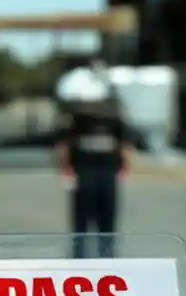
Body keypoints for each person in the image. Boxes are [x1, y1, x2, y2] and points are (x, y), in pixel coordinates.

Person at [54, 92, 133, 259]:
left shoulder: (108, 121)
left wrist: (65, 168)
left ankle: (97, 256)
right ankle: (92, 256)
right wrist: (66, 169)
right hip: (92, 175)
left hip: (96, 175)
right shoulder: (79, 121)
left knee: (94, 221)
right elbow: (64, 146)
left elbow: (124, 146)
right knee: (94, 221)